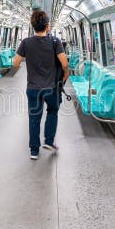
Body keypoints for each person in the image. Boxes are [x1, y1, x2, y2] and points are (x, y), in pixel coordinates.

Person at [13, 10, 70, 159]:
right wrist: (66, 74)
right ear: (47, 26)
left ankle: (34, 151)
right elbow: (64, 63)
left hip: (32, 88)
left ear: (33, 26)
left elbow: (16, 63)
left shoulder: (26, 42)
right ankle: (49, 142)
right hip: (51, 88)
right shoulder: (55, 42)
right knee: (52, 111)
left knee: (34, 117)